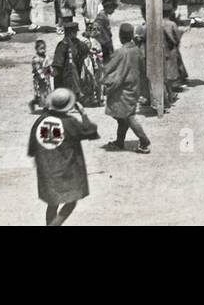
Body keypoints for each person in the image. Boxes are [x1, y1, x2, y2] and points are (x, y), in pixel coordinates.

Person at [29, 88, 99, 225]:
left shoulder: (39, 121)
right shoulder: (70, 122)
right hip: (66, 169)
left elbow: (32, 149)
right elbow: (90, 131)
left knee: (52, 202)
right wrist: (83, 113)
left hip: (46, 169)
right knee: (71, 201)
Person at [101, 23, 150, 154]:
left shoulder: (121, 52)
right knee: (122, 117)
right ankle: (119, 141)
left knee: (128, 116)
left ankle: (144, 141)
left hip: (123, 89)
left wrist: (104, 79)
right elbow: (142, 69)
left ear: (121, 36)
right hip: (134, 87)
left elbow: (110, 68)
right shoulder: (136, 50)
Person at [52, 22, 88, 95]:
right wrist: (56, 70)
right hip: (66, 73)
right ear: (70, 33)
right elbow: (58, 60)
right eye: (75, 32)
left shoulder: (76, 42)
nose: (76, 34)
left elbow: (85, 49)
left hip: (74, 71)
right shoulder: (63, 45)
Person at [29, 38, 53, 112]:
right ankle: (43, 107)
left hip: (46, 77)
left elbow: (49, 65)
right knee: (41, 93)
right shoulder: (36, 59)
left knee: (47, 92)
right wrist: (42, 77)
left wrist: (51, 71)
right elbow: (37, 70)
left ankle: (46, 106)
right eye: (41, 49)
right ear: (36, 49)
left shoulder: (46, 57)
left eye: (44, 48)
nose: (43, 50)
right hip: (39, 79)